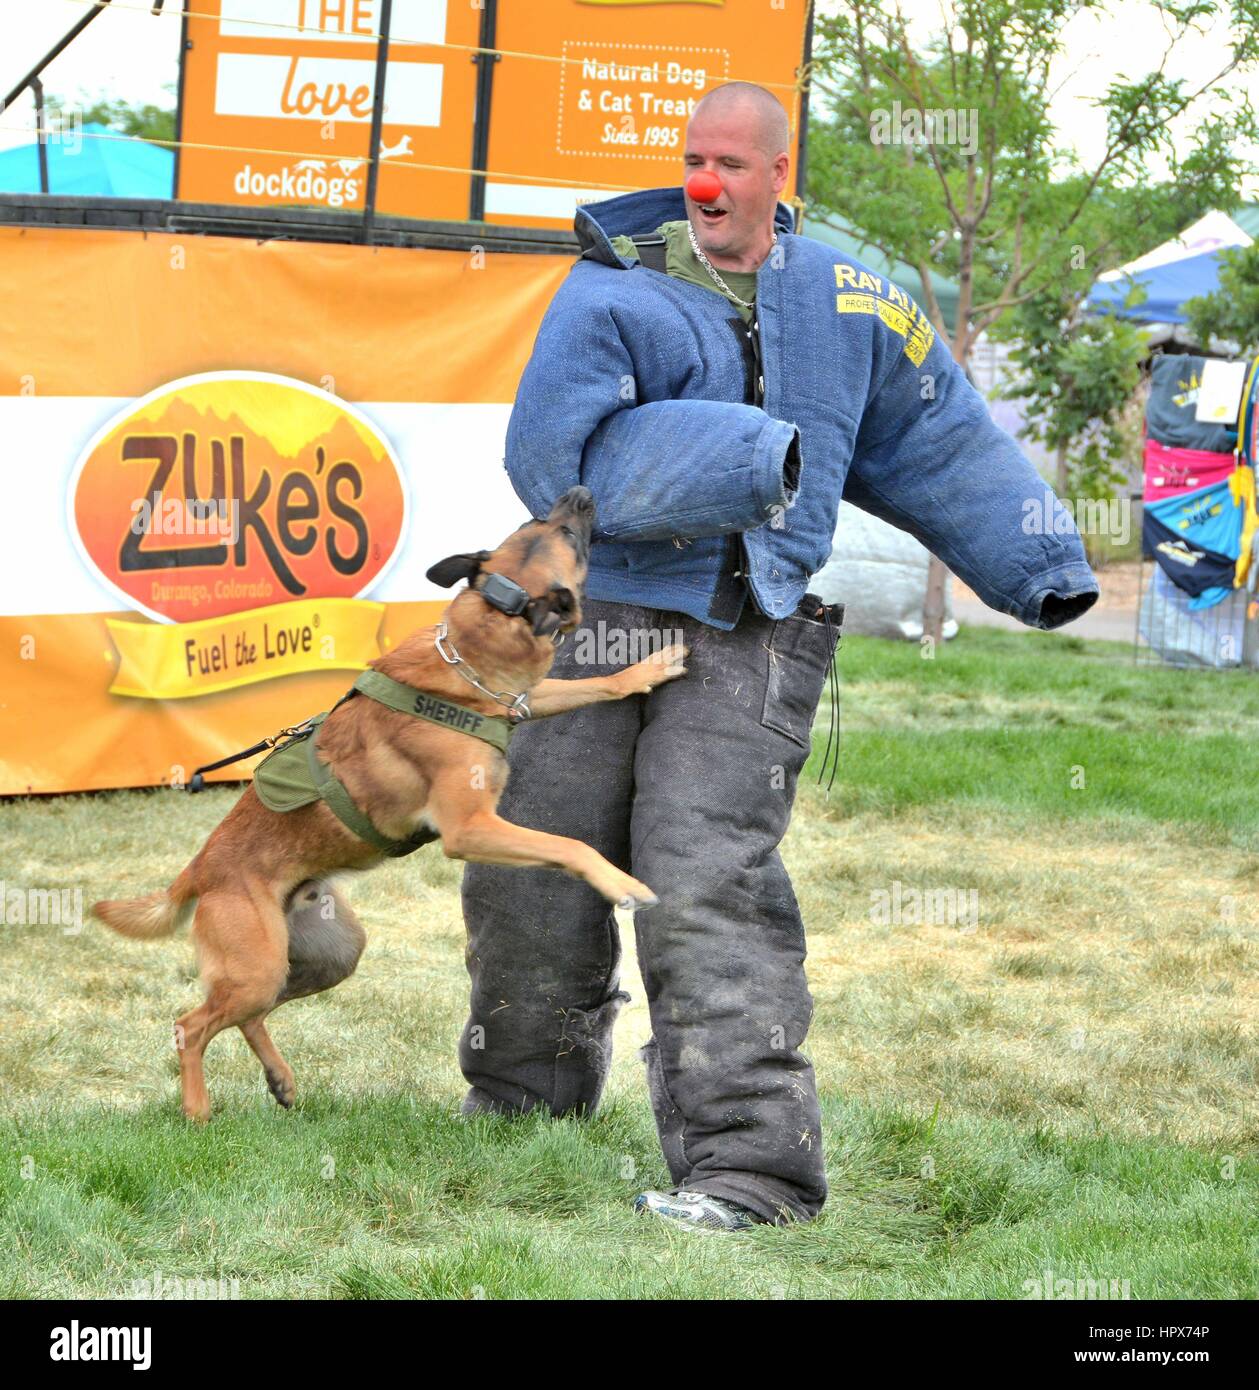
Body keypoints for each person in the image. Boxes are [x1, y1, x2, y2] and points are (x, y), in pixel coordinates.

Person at [457, 81, 1099, 1234]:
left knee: (705, 888)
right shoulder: (612, 285)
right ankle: (519, 1109)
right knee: (532, 868)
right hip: (596, 622)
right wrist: (754, 457)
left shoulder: (855, 299)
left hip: (749, 633)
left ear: (775, 173)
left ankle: (749, 1175)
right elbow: (551, 454)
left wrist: (1038, 561)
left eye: (731, 164)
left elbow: (936, 432)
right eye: (692, 160)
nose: (705, 184)